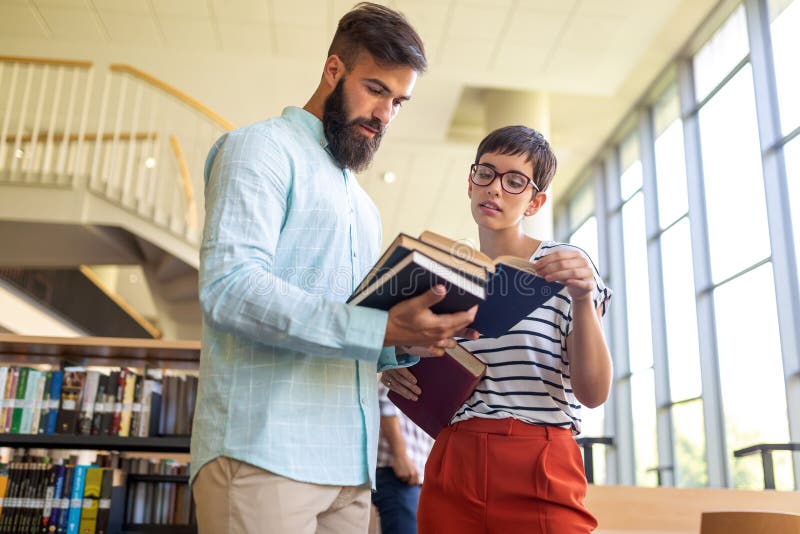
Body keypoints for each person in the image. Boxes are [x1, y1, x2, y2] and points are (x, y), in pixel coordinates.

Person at [190, 4, 478, 533]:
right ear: (333, 71)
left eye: (399, 101)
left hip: (349, 470)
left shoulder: (362, 205)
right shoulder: (259, 149)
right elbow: (230, 289)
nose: (386, 114)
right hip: (263, 455)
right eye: (375, 90)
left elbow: (350, 323)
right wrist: (379, 327)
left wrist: (407, 339)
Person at [381, 125, 613, 534]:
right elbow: (421, 369)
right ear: (470, 182)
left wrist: (582, 298)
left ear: (535, 202)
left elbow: (593, 394)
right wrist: (400, 363)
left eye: (515, 181)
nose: (495, 189)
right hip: (454, 457)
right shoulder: (442, 273)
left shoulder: (566, 266)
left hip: (539, 458)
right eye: (485, 173)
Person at [372, 381, 434, 534]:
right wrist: (400, 456)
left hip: (415, 473)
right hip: (397, 471)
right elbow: (383, 398)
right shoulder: (405, 361)